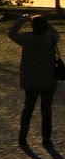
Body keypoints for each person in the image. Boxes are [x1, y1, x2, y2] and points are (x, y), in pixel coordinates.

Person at [8, 13, 60, 146]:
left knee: (28, 109)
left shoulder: (26, 39)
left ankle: (23, 137)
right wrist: (49, 25)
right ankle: (46, 138)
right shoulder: (51, 38)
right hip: (48, 80)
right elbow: (56, 33)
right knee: (46, 110)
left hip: (30, 81)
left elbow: (12, 33)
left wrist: (22, 19)